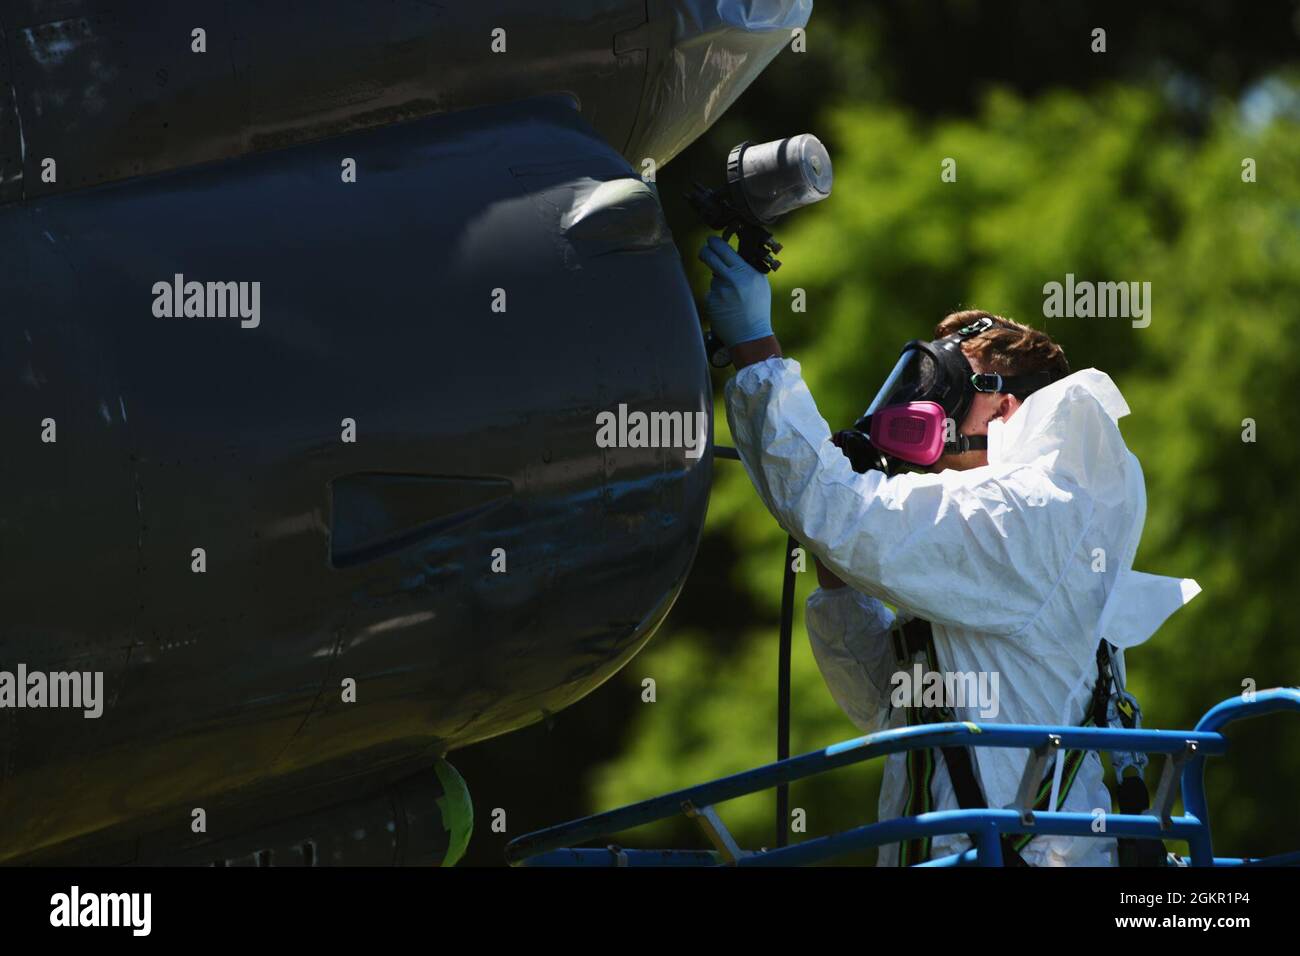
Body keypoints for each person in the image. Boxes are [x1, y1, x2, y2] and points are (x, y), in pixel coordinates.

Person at [698, 235, 1200, 866]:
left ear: (1005, 407)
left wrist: (754, 349)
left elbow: (843, 513)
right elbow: (885, 705)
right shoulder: (1009, 532)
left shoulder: (1031, 508)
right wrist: (838, 568)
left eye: (948, 385)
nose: (927, 403)